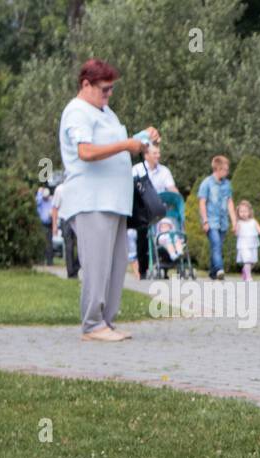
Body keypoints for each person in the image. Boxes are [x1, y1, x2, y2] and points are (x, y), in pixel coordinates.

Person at [58, 57, 160, 342]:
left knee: (115, 265)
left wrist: (141, 137)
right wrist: (128, 144)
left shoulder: (106, 112)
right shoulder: (77, 111)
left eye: (111, 89)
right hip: (91, 200)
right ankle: (91, 324)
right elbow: (87, 152)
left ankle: (106, 322)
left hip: (114, 200)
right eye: (104, 89)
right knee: (97, 264)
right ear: (86, 84)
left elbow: (115, 145)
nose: (109, 94)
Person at [132, 143, 177, 278]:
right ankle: (143, 270)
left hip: (159, 210)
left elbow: (171, 188)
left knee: (165, 233)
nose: (158, 155)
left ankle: (165, 265)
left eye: (158, 153)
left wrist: (178, 199)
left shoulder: (164, 171)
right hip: (143, 210)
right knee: (142, 238)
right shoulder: (137, 169)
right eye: (155, 153)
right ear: (146, 155)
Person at [198, 155, 236, 280]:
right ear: (217, 169)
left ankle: (213, 273)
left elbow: (230, 203)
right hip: (211, 220)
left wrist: (234, 222)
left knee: (217, 246)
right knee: (216, 244)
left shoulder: (227, 184)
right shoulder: (206, 183)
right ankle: (220, 269)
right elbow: (202, 202)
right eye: (225, 169)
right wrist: (205, 221)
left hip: (223, 221)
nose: (227, 171)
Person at [233, 200, 260, 281]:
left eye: (245, 211)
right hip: (243, 245)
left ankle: (245, 271)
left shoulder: (253, 221)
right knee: (247, 259)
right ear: (238, 213)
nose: (243, 213)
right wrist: (236, 226)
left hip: (253, 244)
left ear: (250, 212)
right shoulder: (239, 223)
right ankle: (248, 276)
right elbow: (236, 233)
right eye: (241, 211)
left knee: (252, 261)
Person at [50, 180, 78, 278]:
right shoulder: (60, 189)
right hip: (65, 219)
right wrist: (54, 225)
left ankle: (76, 267)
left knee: (82, 246)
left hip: (77, 219)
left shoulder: (78, 187)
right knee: (69, 246)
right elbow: (54, 207)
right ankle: (71, 273)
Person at [36, 185, 55, 265]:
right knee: (41, 243)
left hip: (49, 224)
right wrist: (40, 192)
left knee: (49, 243)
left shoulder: (51, 201)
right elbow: (37, 200)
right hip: (41, 224)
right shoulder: (40, 201)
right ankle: (40, 260)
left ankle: (49, 261)